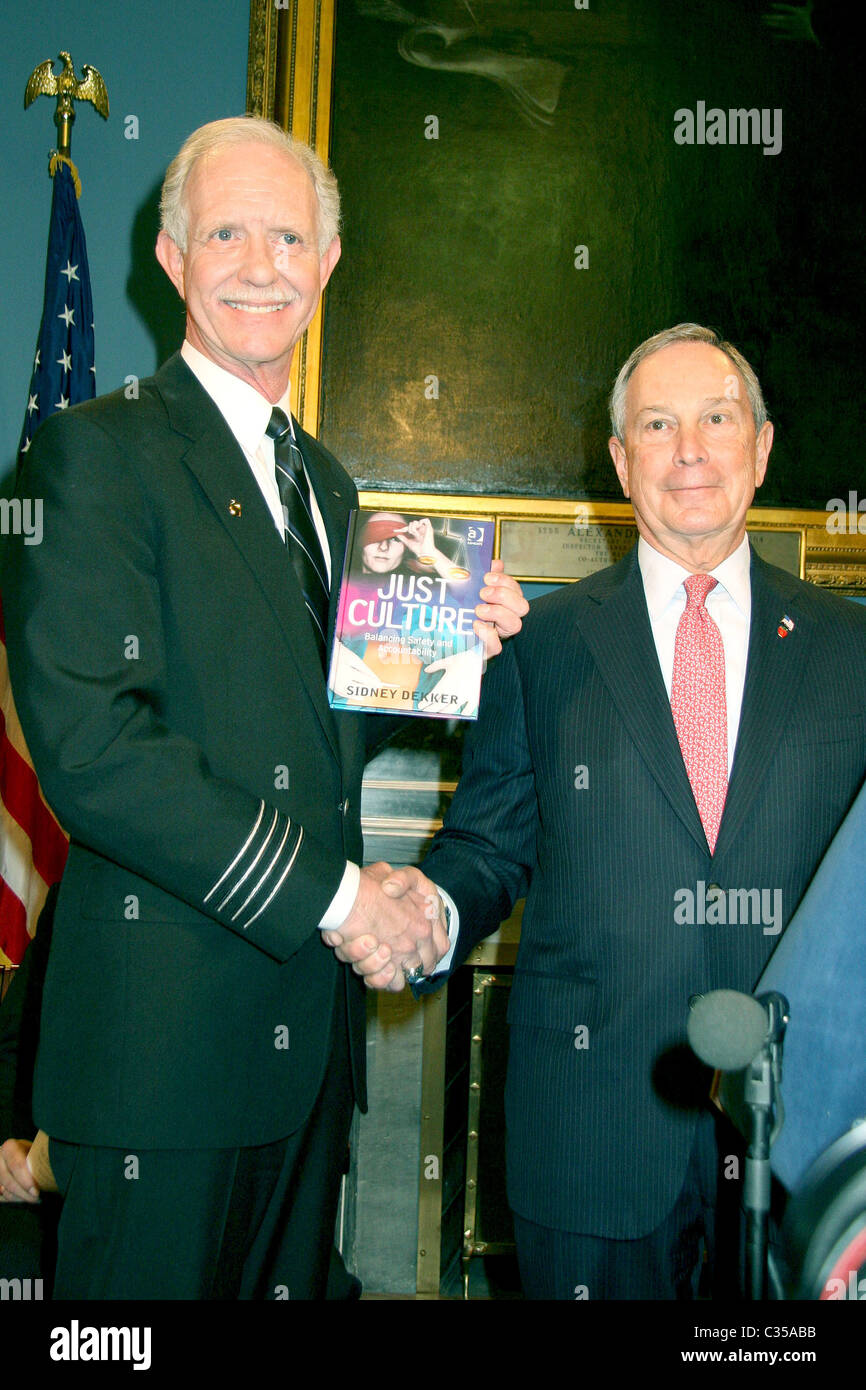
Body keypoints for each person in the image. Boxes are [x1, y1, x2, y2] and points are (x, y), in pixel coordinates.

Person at [1, 116, 526, 1299]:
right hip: (160, 1072)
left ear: (326, 264)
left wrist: (455, 645)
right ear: (172, 258)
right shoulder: (92, 454)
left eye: (288, 235)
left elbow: (319, 729)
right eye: (225, 232)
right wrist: (344, 897)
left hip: (306, 1055)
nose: (259, 262)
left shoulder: (330, 486)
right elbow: (96, 751)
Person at [335, 323, 866, 1299]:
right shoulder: (541, 646)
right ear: (621, 462)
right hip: (589, 1145)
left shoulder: (851, 649)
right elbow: (487, 848)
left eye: (716, 419)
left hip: (806, 1152)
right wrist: (425, 909)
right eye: (656, 426)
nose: (690, 449)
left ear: (760, 446)